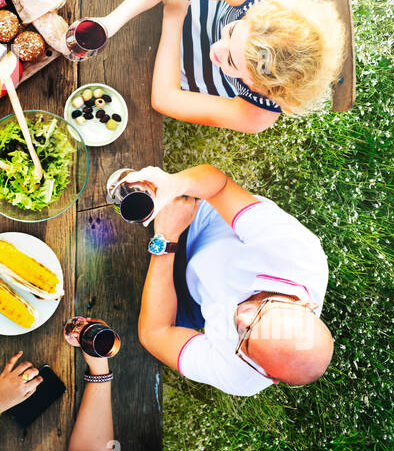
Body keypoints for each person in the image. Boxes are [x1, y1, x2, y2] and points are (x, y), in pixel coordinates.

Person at [134, 163, 333, 396]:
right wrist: (172, 186)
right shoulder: (294, 251)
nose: (240, 316)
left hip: (192, 293)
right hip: (199, 220)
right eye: (262, 311)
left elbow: (155, 334)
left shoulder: (241, 377)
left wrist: (166, 239)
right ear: (305, 306)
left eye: (244, 340)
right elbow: (219, 187)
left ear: (268, 375)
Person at [100, 0, 346, 131]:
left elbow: (165, 98)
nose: (218, 48)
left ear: (262, 87)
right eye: (232, 31)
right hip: (177, 7)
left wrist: (173, 17)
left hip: (168, 68)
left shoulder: (257, 115)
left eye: (231, 62)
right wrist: (109, 24)